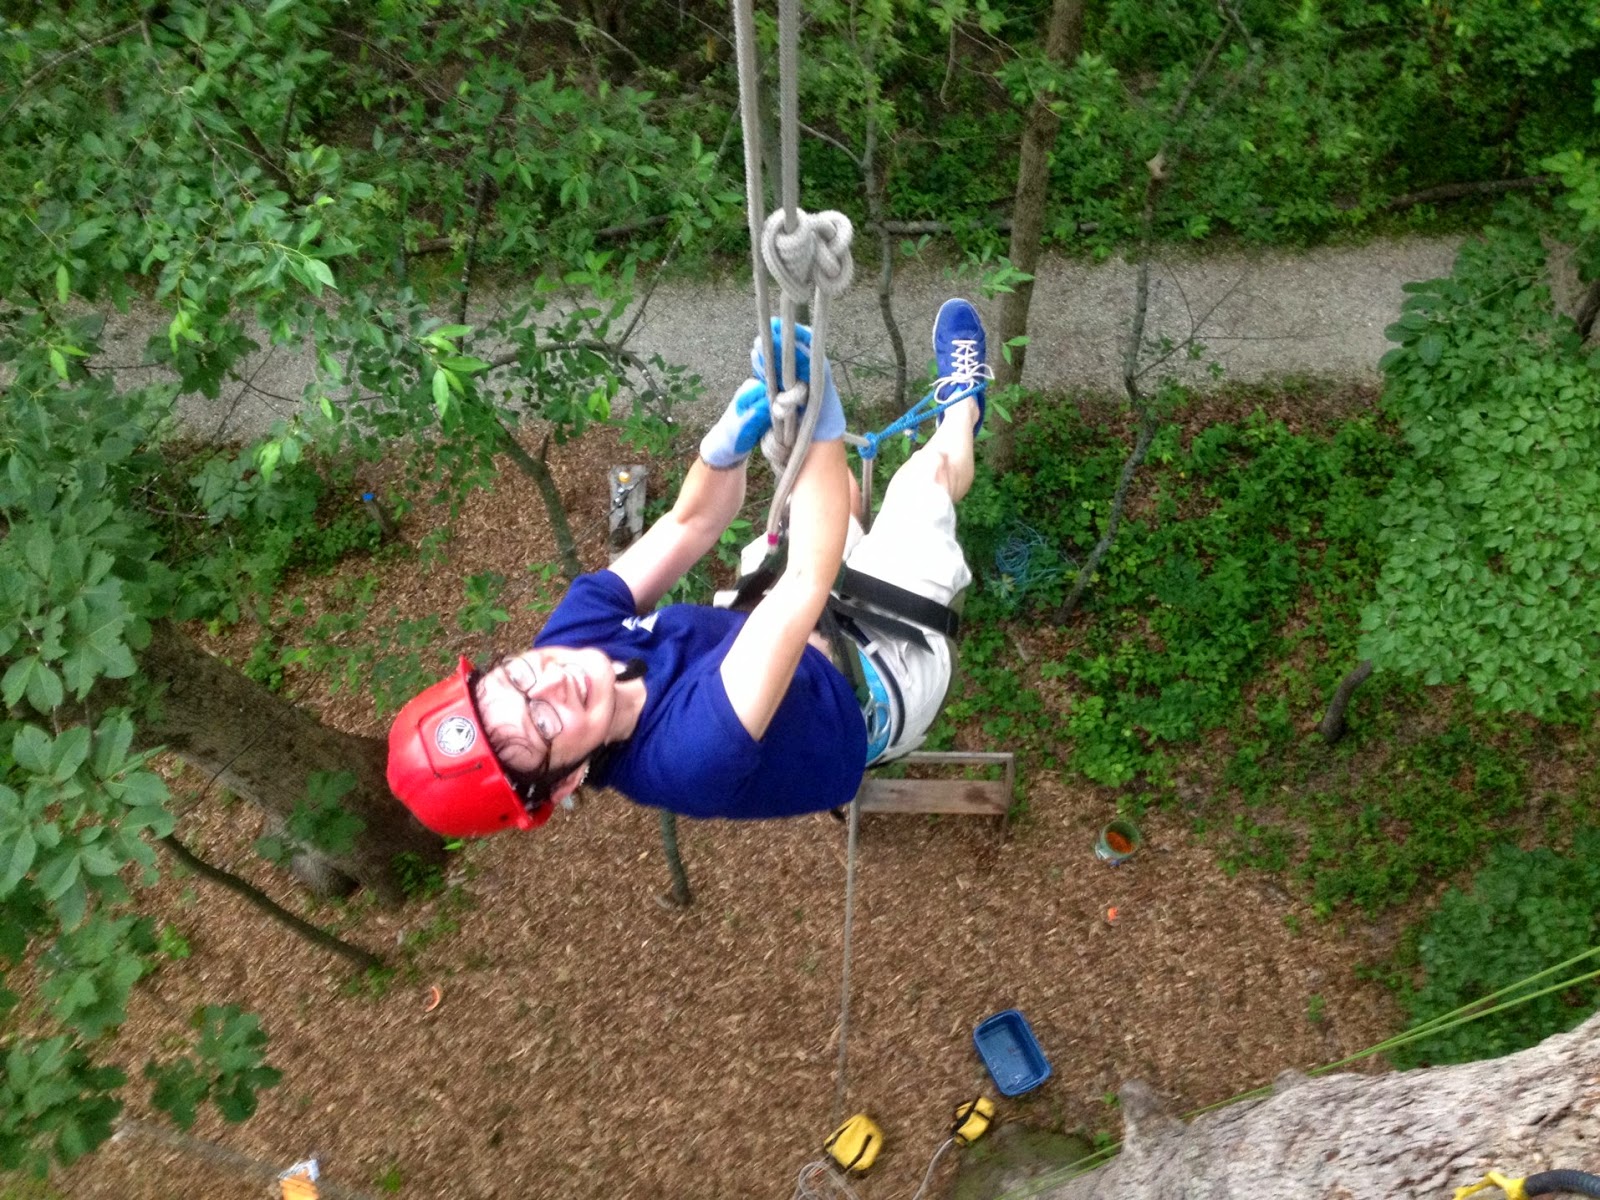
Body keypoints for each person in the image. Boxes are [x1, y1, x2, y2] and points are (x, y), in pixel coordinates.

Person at [385, 299, 993, 837]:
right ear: (566, 781)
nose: (550, 684)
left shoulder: (568, 642)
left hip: (782, 625)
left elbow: (689, 525)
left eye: (514, 681)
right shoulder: (686, 757)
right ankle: (963, 408)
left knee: (844, 505)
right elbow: (806, 581)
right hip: (881, 680)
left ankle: (857, 490)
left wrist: (721, 447)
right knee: (921, 482)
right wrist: (818, 426)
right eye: (542, 723)